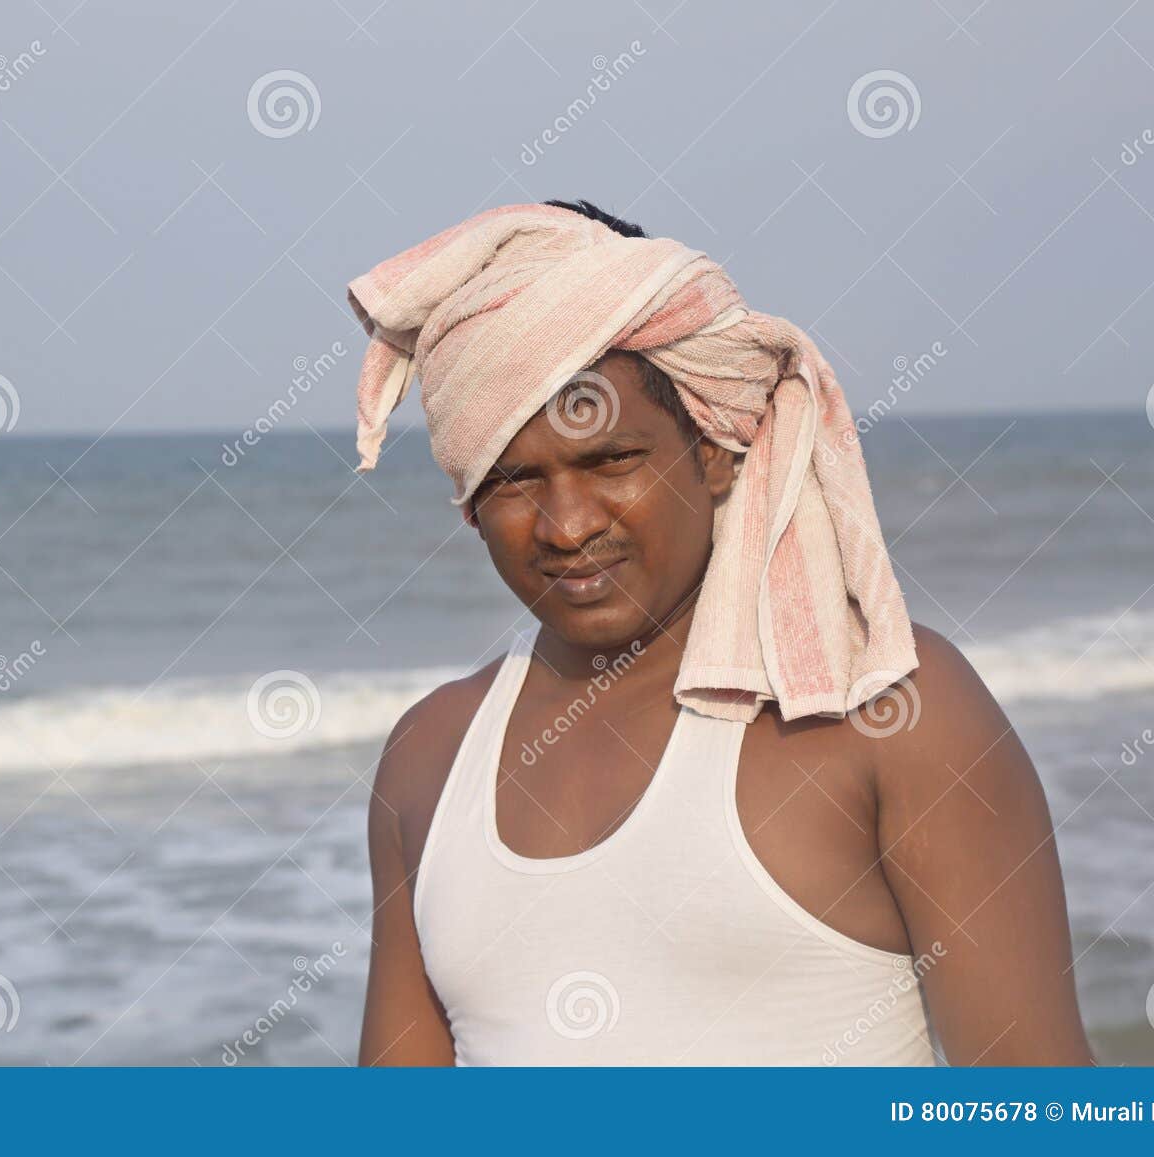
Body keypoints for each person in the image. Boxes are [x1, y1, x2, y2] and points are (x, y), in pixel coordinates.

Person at [349, 200, 1093, 1066]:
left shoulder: (885, 711)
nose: (565, 524)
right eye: (513, 479)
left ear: (713, 449)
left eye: (610, 460)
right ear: (472, 505)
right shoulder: (430, 759)